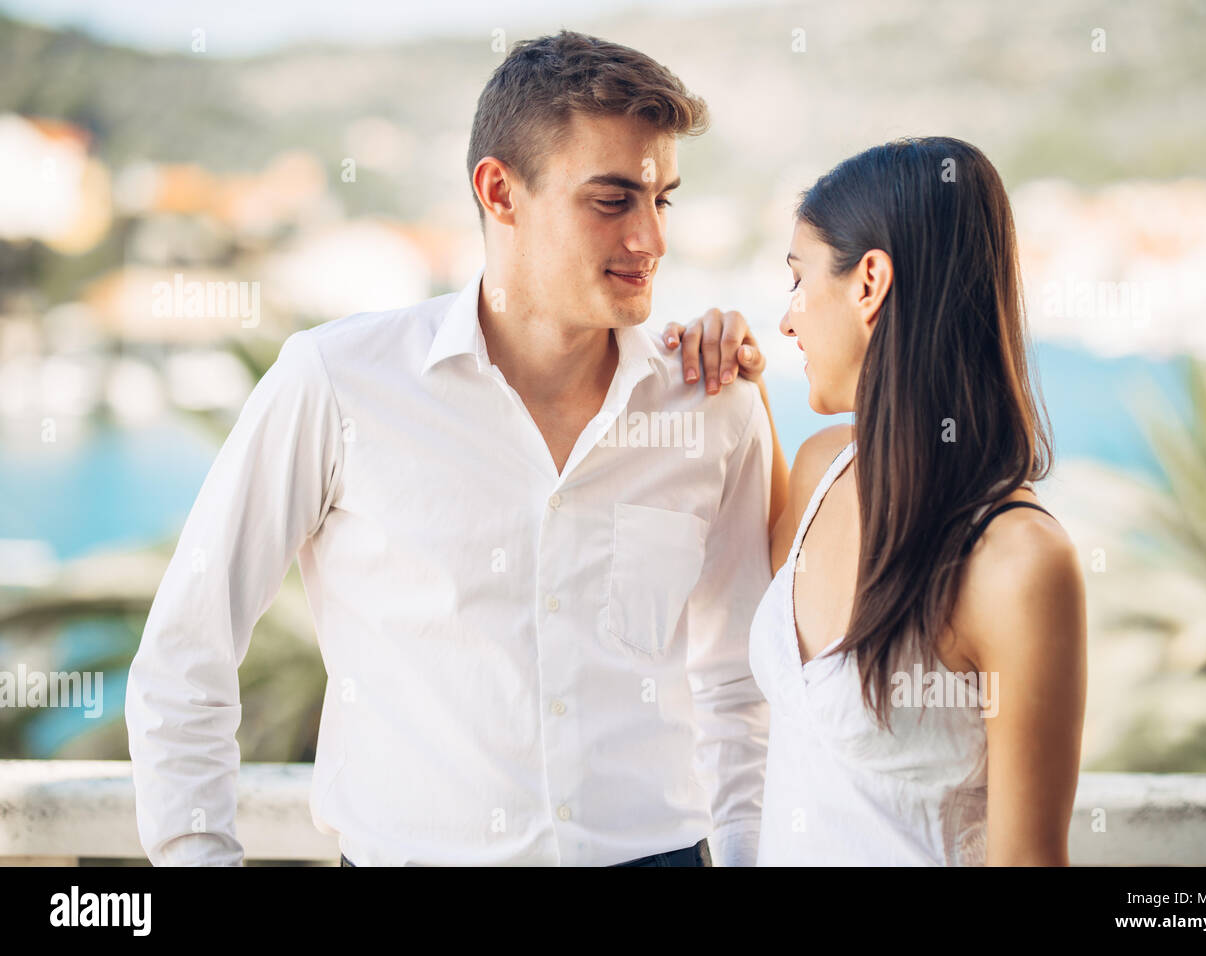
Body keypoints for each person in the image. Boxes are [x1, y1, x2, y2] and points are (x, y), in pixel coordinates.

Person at [124, 30, 774, 867]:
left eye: (663, 199)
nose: (651, 239)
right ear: (500, 191)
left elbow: (736, 685)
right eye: (613, 200)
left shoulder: (714, 403)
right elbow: (186, 653)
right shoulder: (335, 381)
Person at [664, 136, 1087, 865]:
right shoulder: (821, 467)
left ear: (869, 283)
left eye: (798, 282)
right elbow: (751, 579)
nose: (788, 320)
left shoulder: (1017, 562)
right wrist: (736, 374)